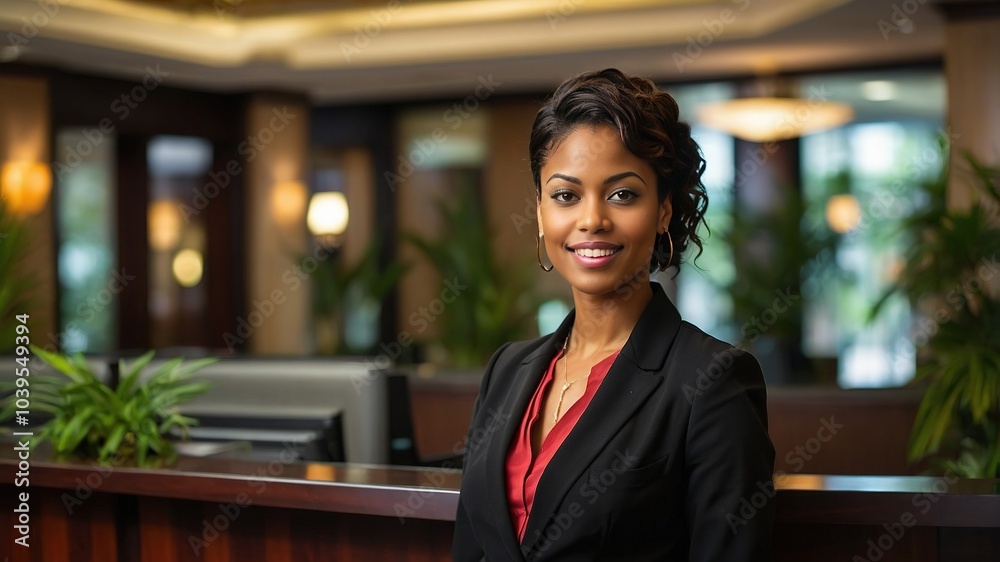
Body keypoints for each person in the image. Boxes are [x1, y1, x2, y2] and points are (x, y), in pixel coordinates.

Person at [452, 68, 774, 561]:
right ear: (540, 212)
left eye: (623, 194)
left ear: (663, 210)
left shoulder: (713, 380)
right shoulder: (505, 371)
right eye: (565, 195)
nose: (592, 220)